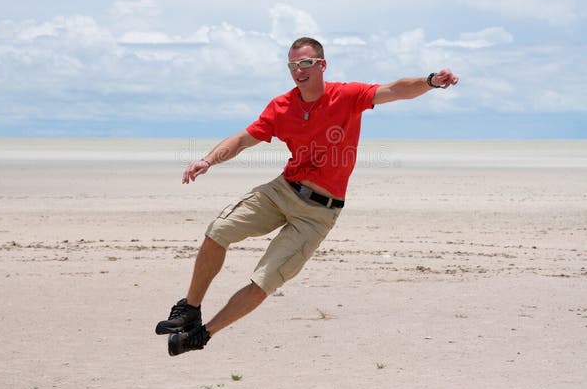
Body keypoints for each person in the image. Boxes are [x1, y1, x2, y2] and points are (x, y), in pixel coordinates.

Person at [155, 37, 458, 356]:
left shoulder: (348, 96)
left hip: (317, 214)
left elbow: (396, 89)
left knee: (264, 282)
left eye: (306, 63)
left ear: (321, 65)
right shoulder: (281, 106)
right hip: (283, 190)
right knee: (218, 231)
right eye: (293, 65)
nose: (299, 70)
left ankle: (201, 335)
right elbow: (244, 139)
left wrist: (430, 81)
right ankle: (190, 308)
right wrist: (207, 160)